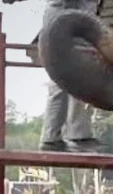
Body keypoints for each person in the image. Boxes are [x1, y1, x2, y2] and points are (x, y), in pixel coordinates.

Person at [40, 0, 105, 153]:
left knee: (60, 78)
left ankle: (51, 137)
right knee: (82, 72)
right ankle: (77, 135)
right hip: (72, 20)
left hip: (63, 20)